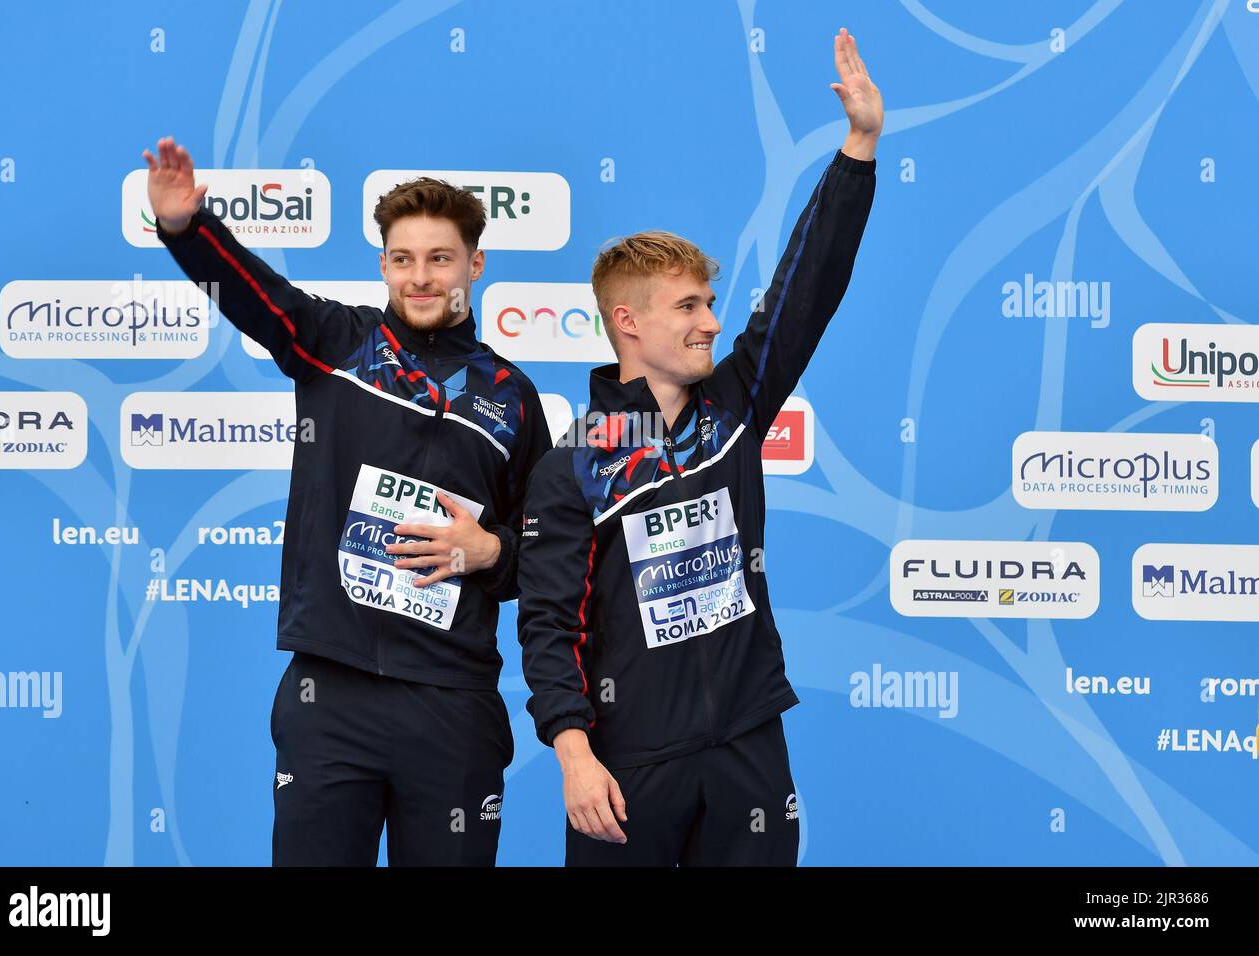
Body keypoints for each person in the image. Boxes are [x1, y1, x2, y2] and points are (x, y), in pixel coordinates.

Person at [516, 27, 882, 865]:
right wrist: (572, 752)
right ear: (628, 321)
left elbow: (808, 284)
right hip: (627, 765)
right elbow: (548, 625)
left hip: (749, 747)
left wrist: (857, 150)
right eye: (687, 307)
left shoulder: (738, 398)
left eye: (710, 302)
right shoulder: (572, 465)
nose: (712, 321)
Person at [143, 137, 552, 865]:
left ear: (475, 265)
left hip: (452, 703)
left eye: (440, 259)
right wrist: (188, 228)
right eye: (402, 259)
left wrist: (491, 551)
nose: (420, 278)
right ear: (383, 264)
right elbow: (256, 296)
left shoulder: (513, 399)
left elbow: (546, 558)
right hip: (328, 698)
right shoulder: (337, 343)